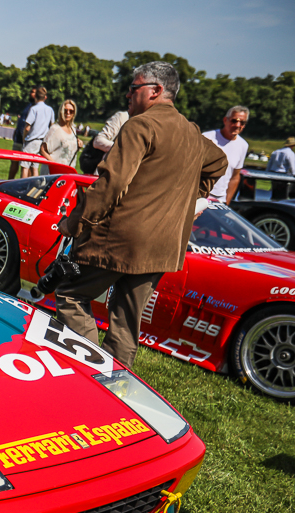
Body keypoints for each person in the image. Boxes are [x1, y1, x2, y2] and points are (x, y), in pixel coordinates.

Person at [55, 61, 227, 367]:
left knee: (71, 295)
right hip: (163, 246)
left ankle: (87, 371)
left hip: (121, 240)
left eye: (134, 89)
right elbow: (219, 162)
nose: (128, 95)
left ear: (155, 91)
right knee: (125, 322)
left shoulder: (141, 125)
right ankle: (115, 388)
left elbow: (112, 182)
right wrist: (187, 198)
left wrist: (73, 223)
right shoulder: (190, 131)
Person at [203, 106, 250, 203]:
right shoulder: (207, 137)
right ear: (225, 120)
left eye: (242, 122)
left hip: (220, 199)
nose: (237, 125)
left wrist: (227, 202)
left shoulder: (243, 145)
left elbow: (235, 176)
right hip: (200, 195)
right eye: (234, 121)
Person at [21, 87, 55, 178]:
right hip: (42, 142)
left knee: (25, 166)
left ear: (35, 96)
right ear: (45, 97)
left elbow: (27, 128)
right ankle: (35, 186)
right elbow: (52, 126)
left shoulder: (33, 109)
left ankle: (21, 187)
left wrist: (24, 137)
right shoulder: (50, 110)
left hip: (32, 140)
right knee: (35, 167)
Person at [41, 99, 84, 168]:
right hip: (53, 172)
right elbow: (42, 150)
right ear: (61, 111)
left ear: (74, 114)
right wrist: (54, 165)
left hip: (68, 171)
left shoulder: (73, 129)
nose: (68, 113)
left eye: (71, 111)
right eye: (65, 110)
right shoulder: (55, 129)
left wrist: (79, 144)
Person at [8, 88, 37, 179]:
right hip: (18, 138)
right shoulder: (28, 106)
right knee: (14, 161)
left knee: (26, 165)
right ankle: (9, 182)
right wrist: (16, 131)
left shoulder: (36, 108)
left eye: (32, 92)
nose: (30, 93)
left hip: (27, 140)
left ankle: (25, 186)